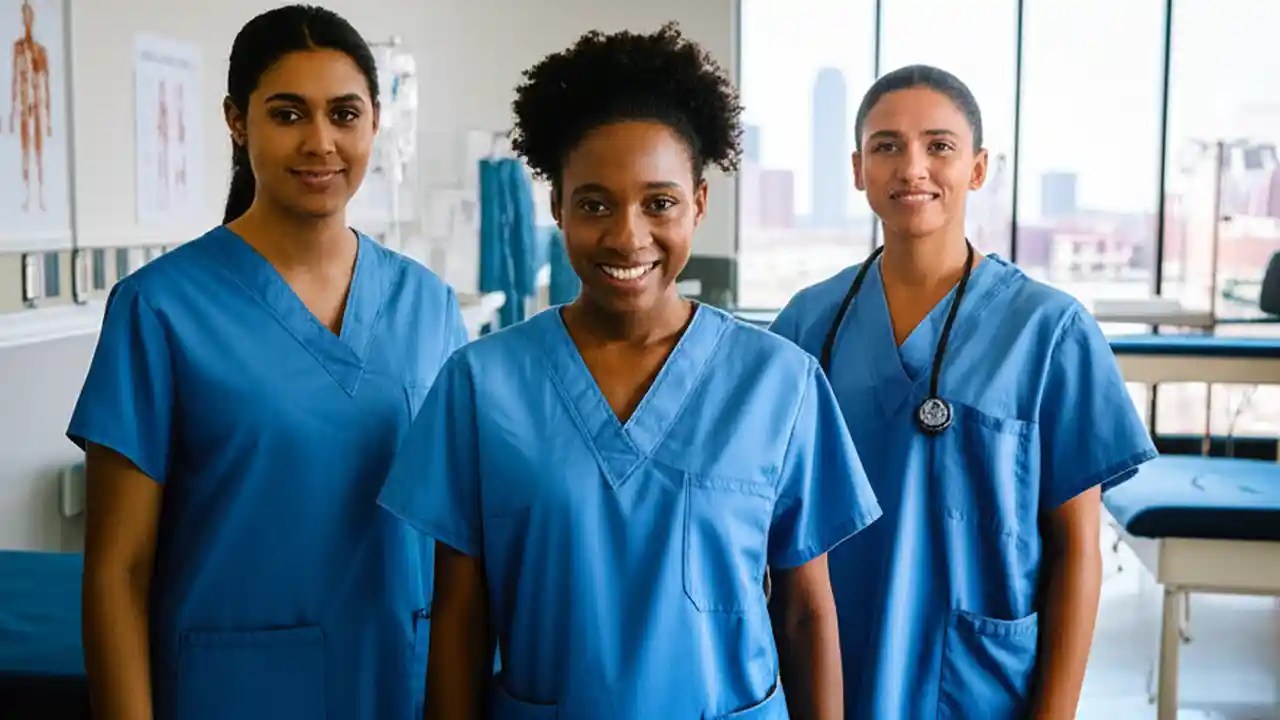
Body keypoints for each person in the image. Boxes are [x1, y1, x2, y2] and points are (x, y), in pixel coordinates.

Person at [378, 23, 881, 720]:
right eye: (594, 204)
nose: (627, 235)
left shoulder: (779, 385)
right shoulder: (480, 385)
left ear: (698, 205)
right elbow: (461, 618)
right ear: (556, 208)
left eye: (659, 202)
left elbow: (805, 616)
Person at [69, 6, 465, 720]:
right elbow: (116, 572)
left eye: (344, 114)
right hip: (230, 693)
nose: (321, 142)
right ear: (236, 121)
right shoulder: (161, 309)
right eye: (288, 114)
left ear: (375, 121)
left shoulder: (428, 306)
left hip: (395, 684)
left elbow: (464, 535)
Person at [770, 64, 1158, 720]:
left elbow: (1076, 550)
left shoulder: (1048, 330)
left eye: (939, 146)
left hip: (973, 684)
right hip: (832, 671)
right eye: (887, 145)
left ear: (977, 169)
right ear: (858, 167)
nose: (912, 166)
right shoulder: (810, 323)